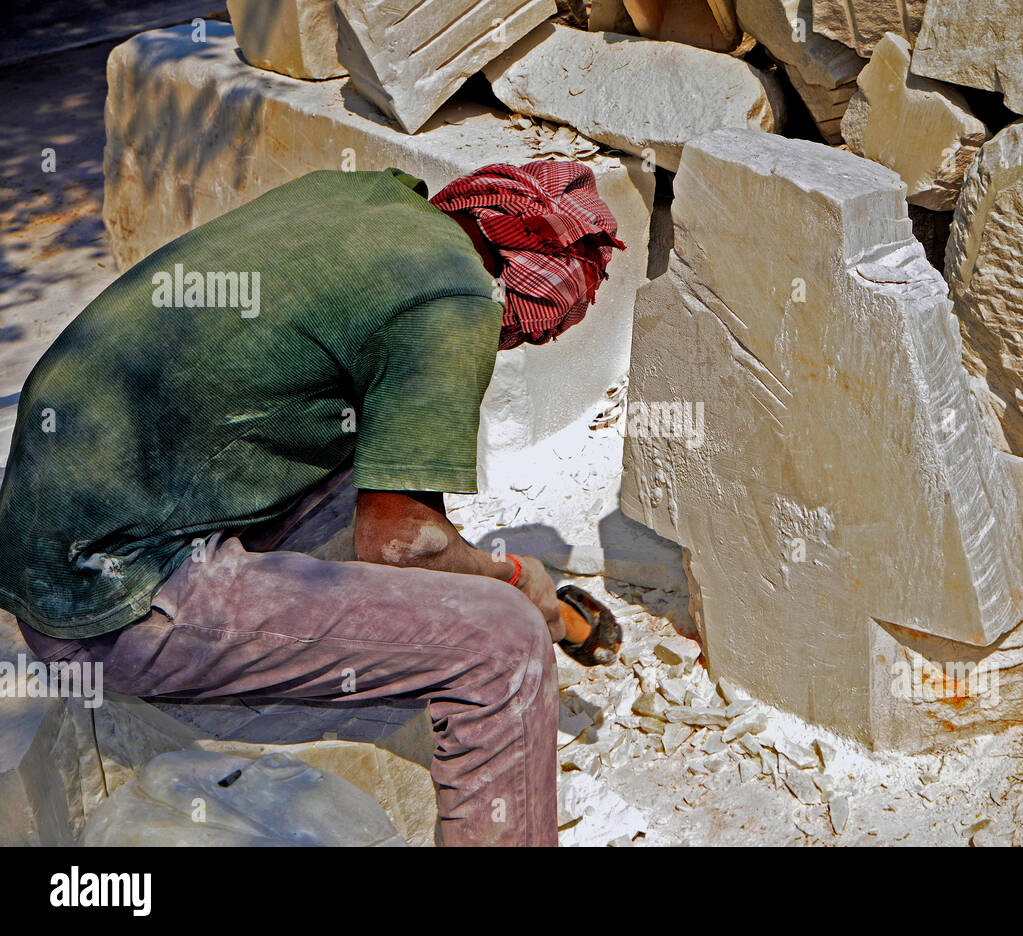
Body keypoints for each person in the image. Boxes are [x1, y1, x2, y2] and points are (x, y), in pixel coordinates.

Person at [0, 160, 626, 846]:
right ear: (517, 295)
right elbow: (398, 542)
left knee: (363, 450)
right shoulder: (456, 299)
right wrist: (513, 581)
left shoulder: (362, 197)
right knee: (503, 644)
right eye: (523, 333)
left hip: (58, 528)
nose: (507, 343)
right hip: (108, 609)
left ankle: (373, 638)